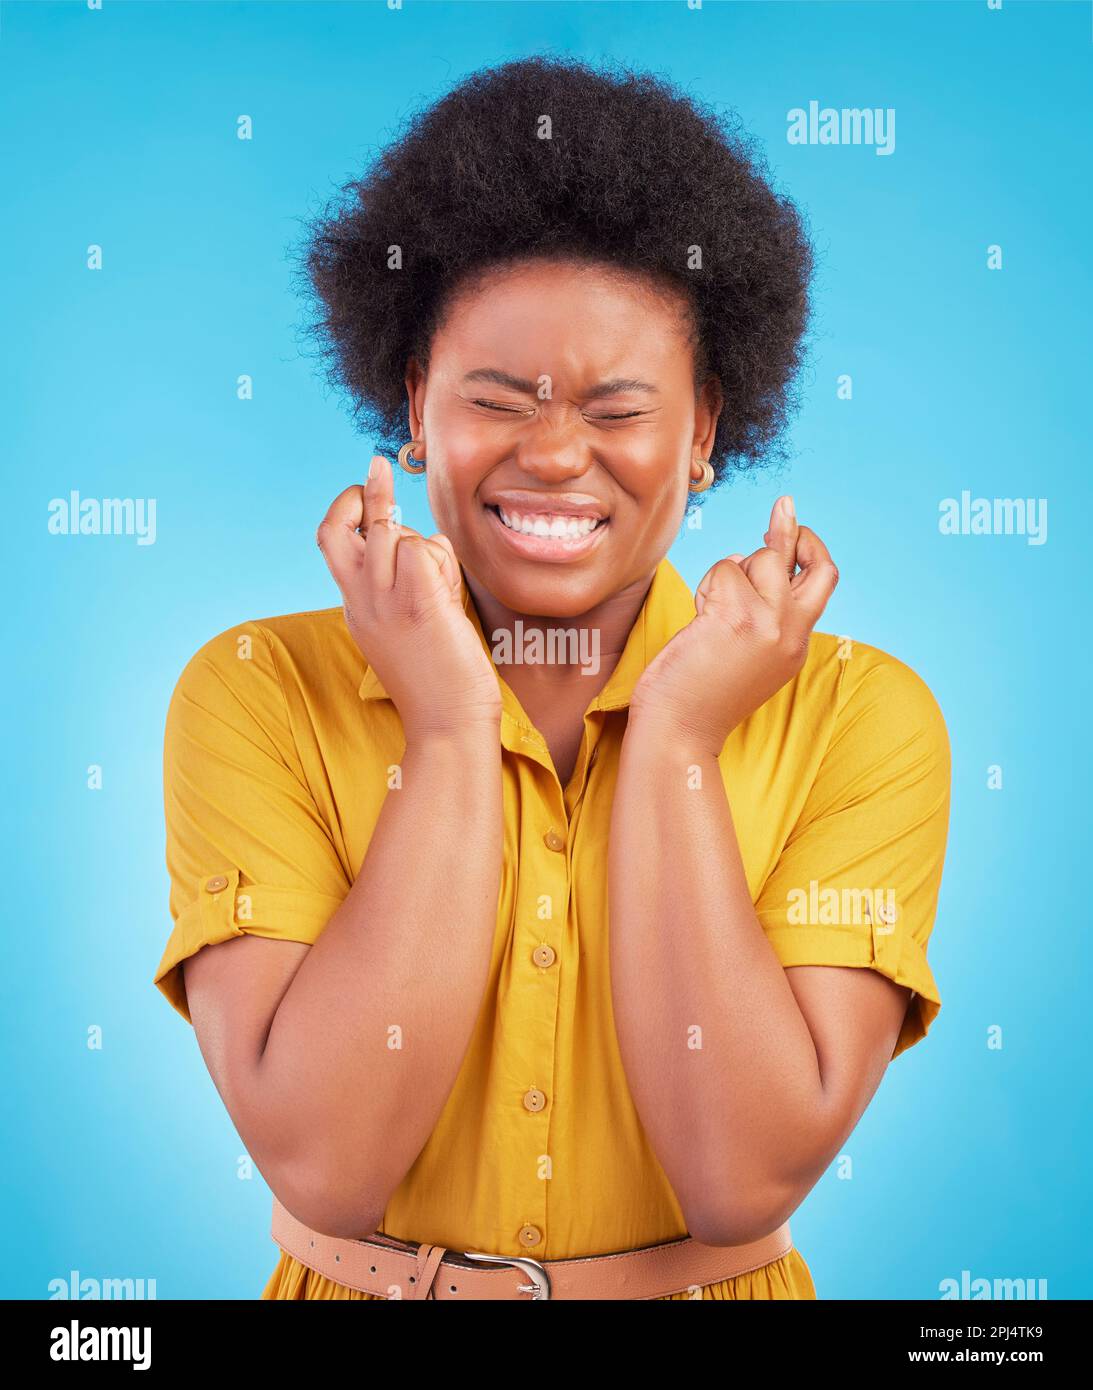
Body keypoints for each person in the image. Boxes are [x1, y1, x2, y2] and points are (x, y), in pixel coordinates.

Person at [153, 56, 950, 1301]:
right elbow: (323, 1164)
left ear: (702, 437)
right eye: (495, 398)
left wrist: (679, 737)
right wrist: (454, 728)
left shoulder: (863, 718)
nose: (554, 452)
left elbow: (740, 1181)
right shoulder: (254, 689)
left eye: (618, 409)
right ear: (416, 406)